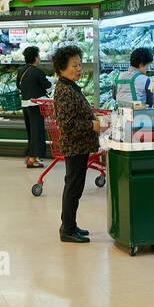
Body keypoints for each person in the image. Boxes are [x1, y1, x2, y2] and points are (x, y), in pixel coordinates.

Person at [52, 44, 101, 244]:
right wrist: (92, 124)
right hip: (74, 146)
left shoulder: (69, 86)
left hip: (79, 146)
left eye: (79, 65)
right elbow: (67, 125)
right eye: (74, 65)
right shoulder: (64, 90)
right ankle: (67, 230)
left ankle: (70, 225)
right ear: (61, 68)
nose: (79, 69)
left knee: (75, 186)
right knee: (73, 187)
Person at [18, 46, 52, 169]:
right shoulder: (37, 71)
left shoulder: (21, 71)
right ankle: (32, 160)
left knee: (31, 132)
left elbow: (18, 85)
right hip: (36, 105)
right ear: (35, 58)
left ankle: (30, 155)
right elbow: (48, 87)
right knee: (37, 132)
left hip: (25, 105)